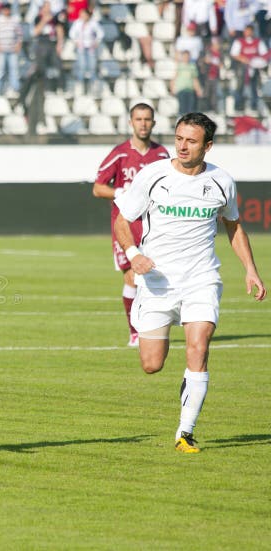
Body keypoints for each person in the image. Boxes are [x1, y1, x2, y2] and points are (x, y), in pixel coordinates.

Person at [113, 112, 266, 453]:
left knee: (199, 346)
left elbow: (234, 224)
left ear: (207, 146)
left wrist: (250, 269)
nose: (182, 146)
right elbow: (123, 219)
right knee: (152, 364)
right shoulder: (153, 175)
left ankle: (185, 432)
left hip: (201, 278)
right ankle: (180, 395)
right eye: (179, 138)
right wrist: (133, 253)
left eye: (191, 141)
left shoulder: (222, 182)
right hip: (156, 282)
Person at [92, 103, 170, 348]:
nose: (143, 123)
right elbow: (98, 188)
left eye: (147, 119)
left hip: (154, 226)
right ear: (131, 122)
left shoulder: (162, 155)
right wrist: (120, 192)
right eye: (139, 119)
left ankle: (157, 326)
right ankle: (135, 332)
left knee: (156, 276)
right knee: (131, 276)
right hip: (126, 226)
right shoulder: (120, 154)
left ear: (154, 123)